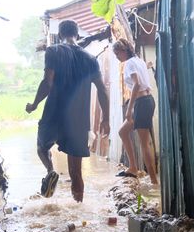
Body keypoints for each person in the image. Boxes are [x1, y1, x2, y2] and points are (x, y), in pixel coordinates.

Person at [25, 20, 110, 202]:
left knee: (42, 147)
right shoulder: (90, 59)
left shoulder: (53, 51)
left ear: (60, 34)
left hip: (53, 114)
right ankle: (78, 209)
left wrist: (34, 104)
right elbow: (102, 90)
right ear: (77, 35)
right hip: (78, 121)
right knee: (76, 173)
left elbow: (48, 82)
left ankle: (50, 170)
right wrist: (106, 119)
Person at [112, 38, 158, 185]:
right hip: (146, 101)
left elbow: (137, 84)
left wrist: (129, 108)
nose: (116, 56)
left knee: (145, 144)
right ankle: (132, 167)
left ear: (124, 51)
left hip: (141, 103)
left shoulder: (130, 63)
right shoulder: (138, 61)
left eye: (117, 53)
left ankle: (154, 182)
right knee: (123, 131)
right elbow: (146, 68)